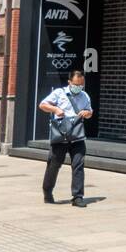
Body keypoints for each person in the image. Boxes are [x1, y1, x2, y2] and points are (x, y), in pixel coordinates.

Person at [39, 69, 93, 207]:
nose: (78, 88)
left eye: (81, 85)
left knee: (78, 165)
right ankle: (47, 191)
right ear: (69, 82)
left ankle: (77, 196)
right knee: (54, 164)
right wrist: (56, 110)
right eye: (76, 84)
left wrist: (87, 113)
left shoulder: (85, 96)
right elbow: (43, 105)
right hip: (61, 135)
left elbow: (90, 112)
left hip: (77, 135)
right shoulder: (59, 93)